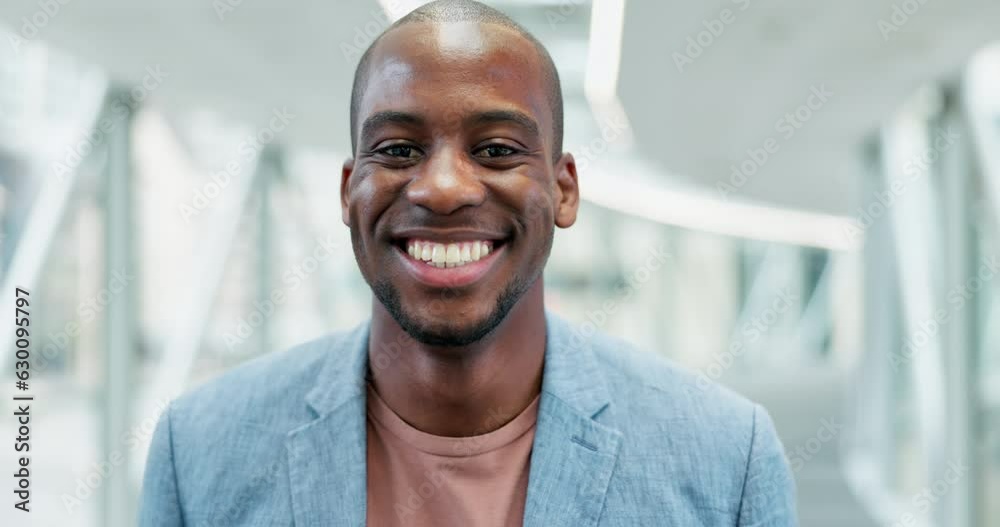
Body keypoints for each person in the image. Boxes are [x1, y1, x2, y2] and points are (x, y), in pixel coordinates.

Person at [138, 1, 797, 525]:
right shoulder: (199, 453)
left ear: (563, 189)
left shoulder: (723, 461)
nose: (444, 188)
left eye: (496, 149)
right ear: (348, 191)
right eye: (397, 149)